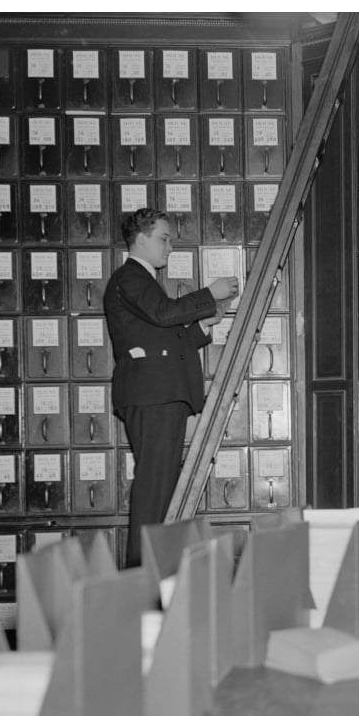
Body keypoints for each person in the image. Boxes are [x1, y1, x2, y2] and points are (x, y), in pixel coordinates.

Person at [104, 208, 239, 567]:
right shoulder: (129, 278)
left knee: (162, 488)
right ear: (142, 238)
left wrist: (204, 324)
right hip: (153, 396)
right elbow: (164, 314)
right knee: (154, 488)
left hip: (160, 394)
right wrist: (208, 294)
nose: (170, 247)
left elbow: (164, 338)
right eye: (164, 238)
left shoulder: (144, 282)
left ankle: (153, 573)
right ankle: (141, 576)